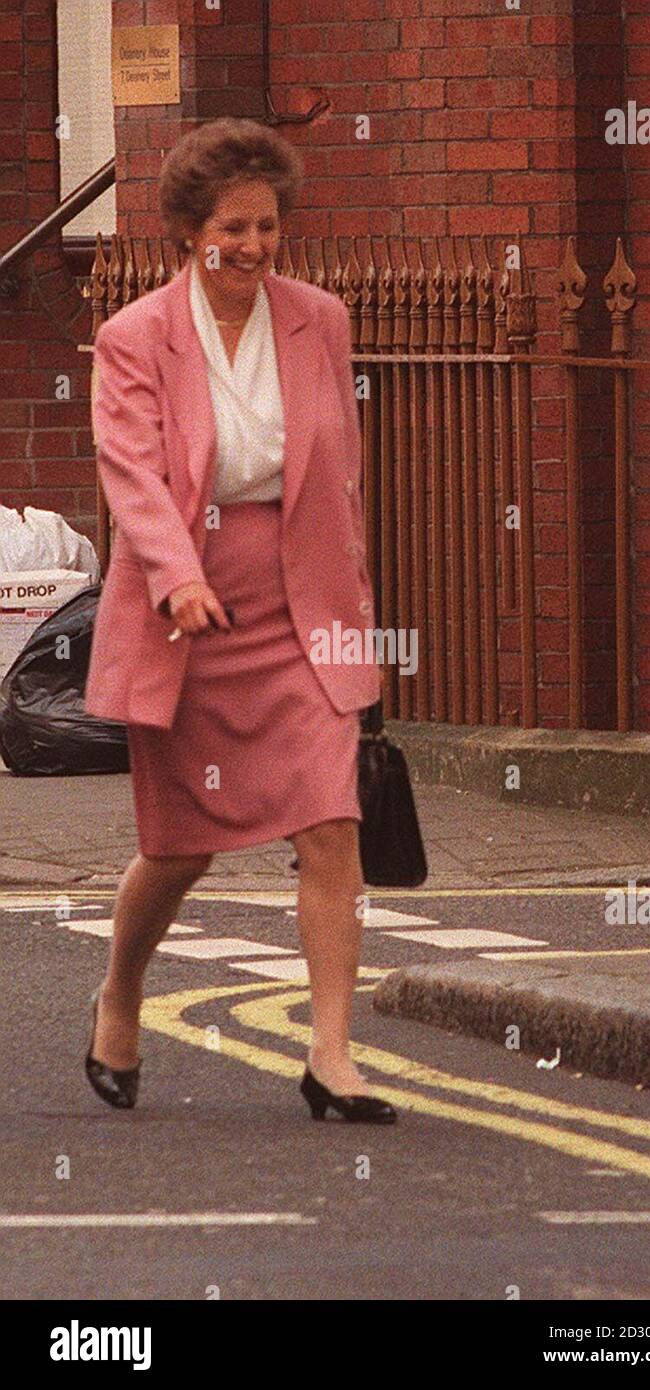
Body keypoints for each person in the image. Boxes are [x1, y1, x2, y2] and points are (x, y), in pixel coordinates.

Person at [83, 117, 396, 1125]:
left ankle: (332, 1054)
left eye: (266, 226)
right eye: (232, 227)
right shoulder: (135, 337)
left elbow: (335, 479)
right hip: (189, 622)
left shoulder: (319, 318)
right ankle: (122, 988)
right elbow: (130, 472)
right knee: (180, 846)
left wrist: (355, 620)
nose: (252, 246)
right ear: (188, 229)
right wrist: (175, 576)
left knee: (330, 822)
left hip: (300, 615)